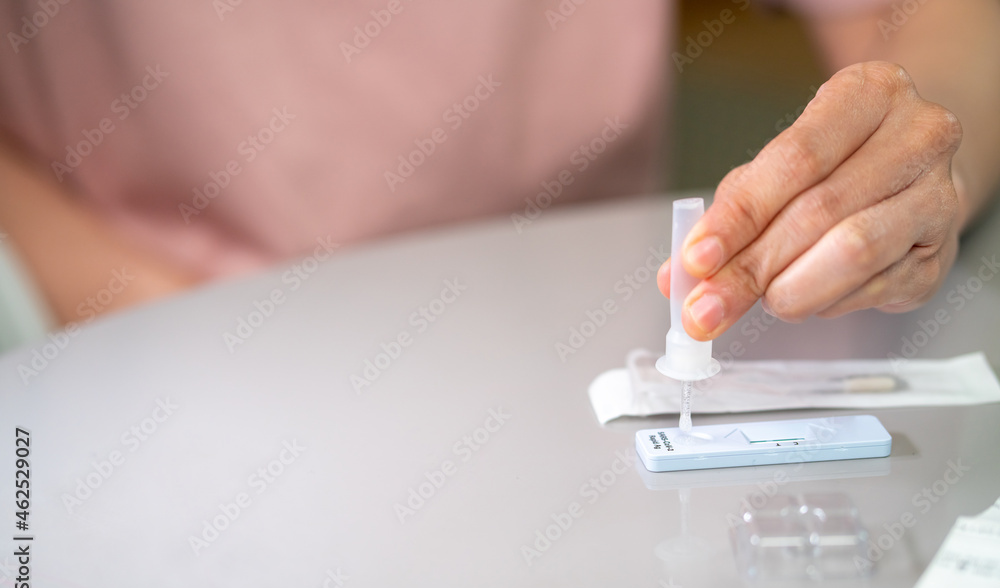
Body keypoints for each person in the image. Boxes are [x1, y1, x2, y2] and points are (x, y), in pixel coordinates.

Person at [1, 0, 998, 341]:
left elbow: (947, 24)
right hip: (151, 351)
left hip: (581, 364)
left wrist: (905, 152)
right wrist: (147, 313)